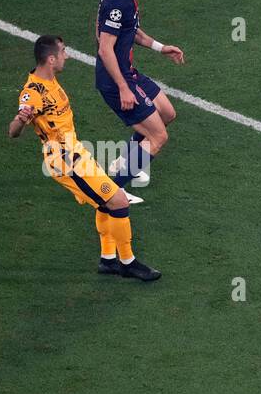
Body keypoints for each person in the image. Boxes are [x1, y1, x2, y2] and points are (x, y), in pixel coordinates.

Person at [8, 35, 160, 281]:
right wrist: (20, 120)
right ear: (51, 59)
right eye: (63, 52)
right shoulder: (32, 92)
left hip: (76, 153)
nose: (66, 55)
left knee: (106, 200)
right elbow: (13, 131)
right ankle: (128, 263)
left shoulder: (50, 81)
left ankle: (108, 259)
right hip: (66, 161)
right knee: (119, 201)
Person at [95, 0, 186, 194]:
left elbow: (131, 30)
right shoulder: (117, 0)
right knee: (158, 137)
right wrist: (124, 88)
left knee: (167, 114)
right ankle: (109, 194)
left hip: (127, 72)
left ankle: (127, 161)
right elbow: (105, 48)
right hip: (115, 80)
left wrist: (160, 47)